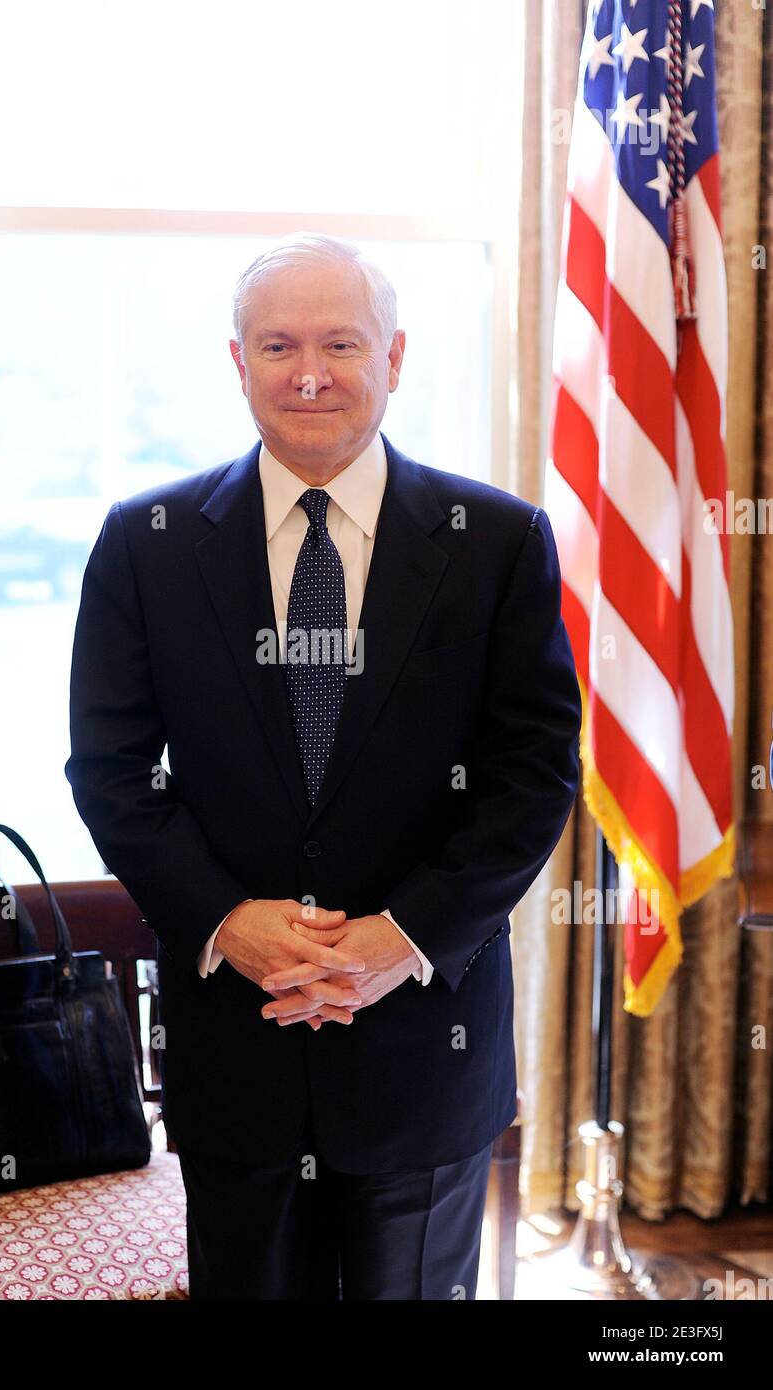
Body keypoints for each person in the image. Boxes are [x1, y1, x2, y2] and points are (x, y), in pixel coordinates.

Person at [65, 231, 582, 1300]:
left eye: (341, 343)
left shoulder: (494, 540)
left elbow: (529, 774)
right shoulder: (144, 541)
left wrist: (405, 936)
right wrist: (223, 918)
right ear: (236, 360)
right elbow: (109, 767)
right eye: (277, 345)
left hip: (420, 1049)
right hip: (234, 1045)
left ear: (393, 359)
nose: (309, 373)